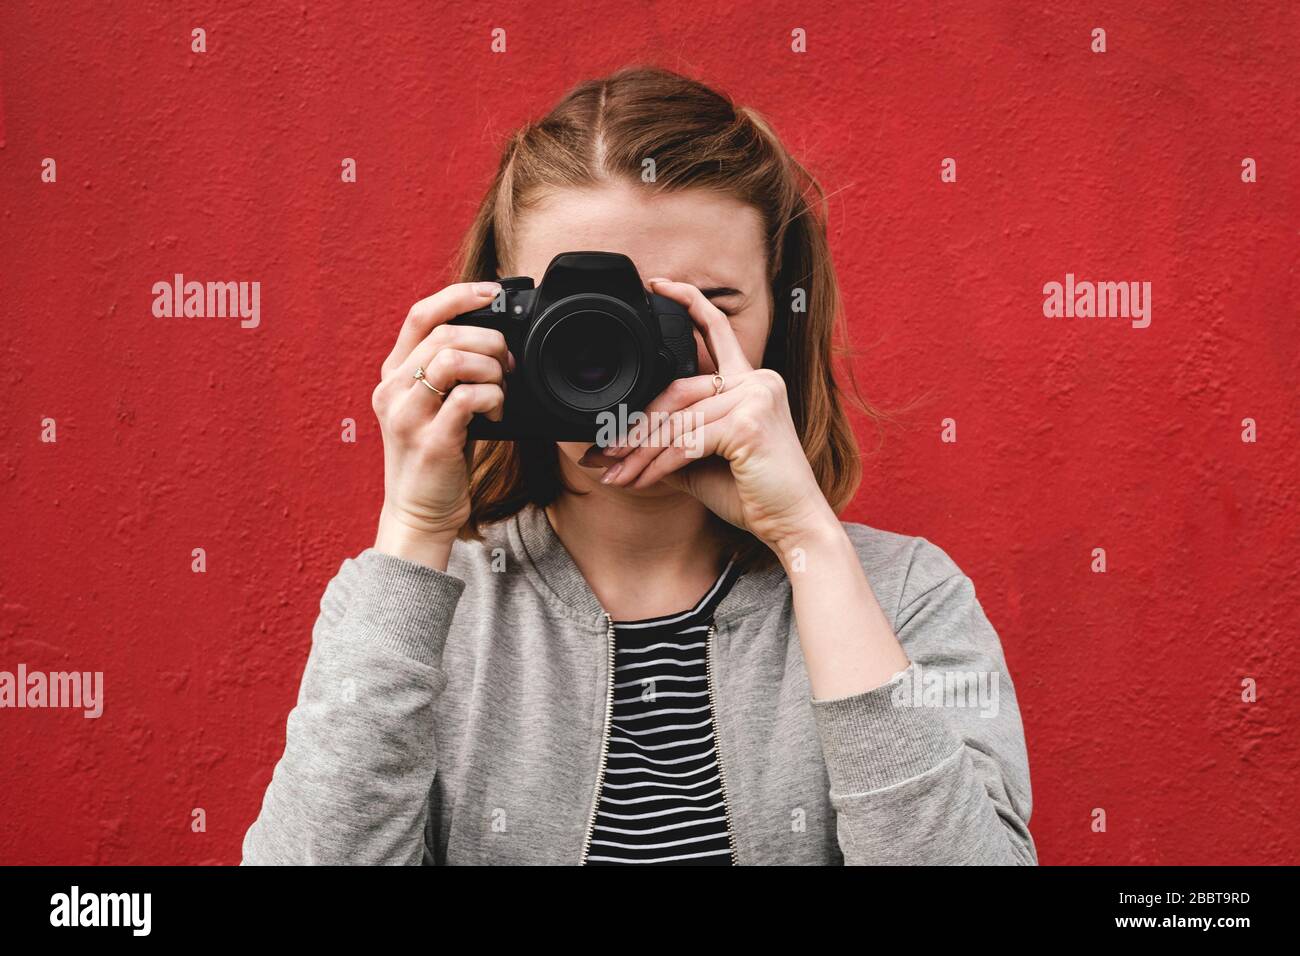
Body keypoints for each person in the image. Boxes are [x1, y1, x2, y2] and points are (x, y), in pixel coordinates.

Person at [242, 66, 1037, 865]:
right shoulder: (417, 605)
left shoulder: (903, 599)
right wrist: (415, 531)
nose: (624, 358)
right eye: (580, 317)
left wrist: (809, 544)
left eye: (700, 307)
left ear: (778, 327)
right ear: (492, 317)